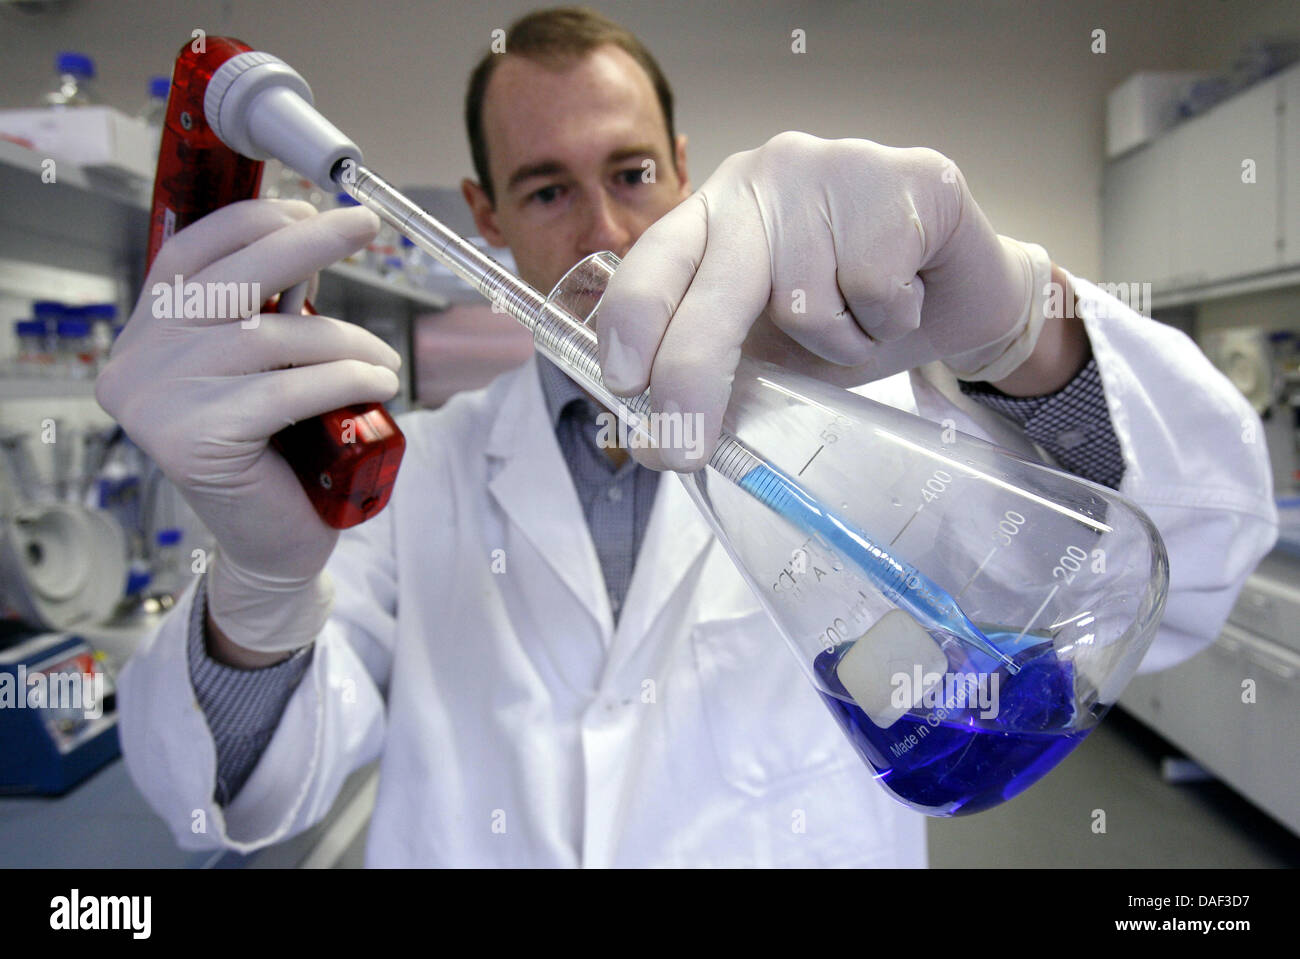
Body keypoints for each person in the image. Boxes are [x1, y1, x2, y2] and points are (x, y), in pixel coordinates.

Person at [97, 7, 1276, 867]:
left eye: (631, 171)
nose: (603, 227)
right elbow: (238, 792)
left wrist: (1020, 323)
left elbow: (1178, 582)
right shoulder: (423, 471)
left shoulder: (861, 409)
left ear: (685, 172)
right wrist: (255, 591)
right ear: (484, 217)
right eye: (547, 189)